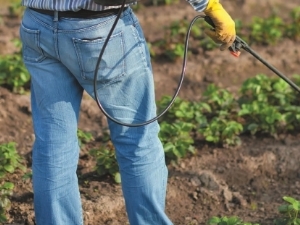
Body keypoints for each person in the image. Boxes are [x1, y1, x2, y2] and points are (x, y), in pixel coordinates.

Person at [19, 0, 235, 224]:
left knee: (53, 144)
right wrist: (210, 6)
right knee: (137, 141)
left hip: (37, 25)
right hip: (99, 28)